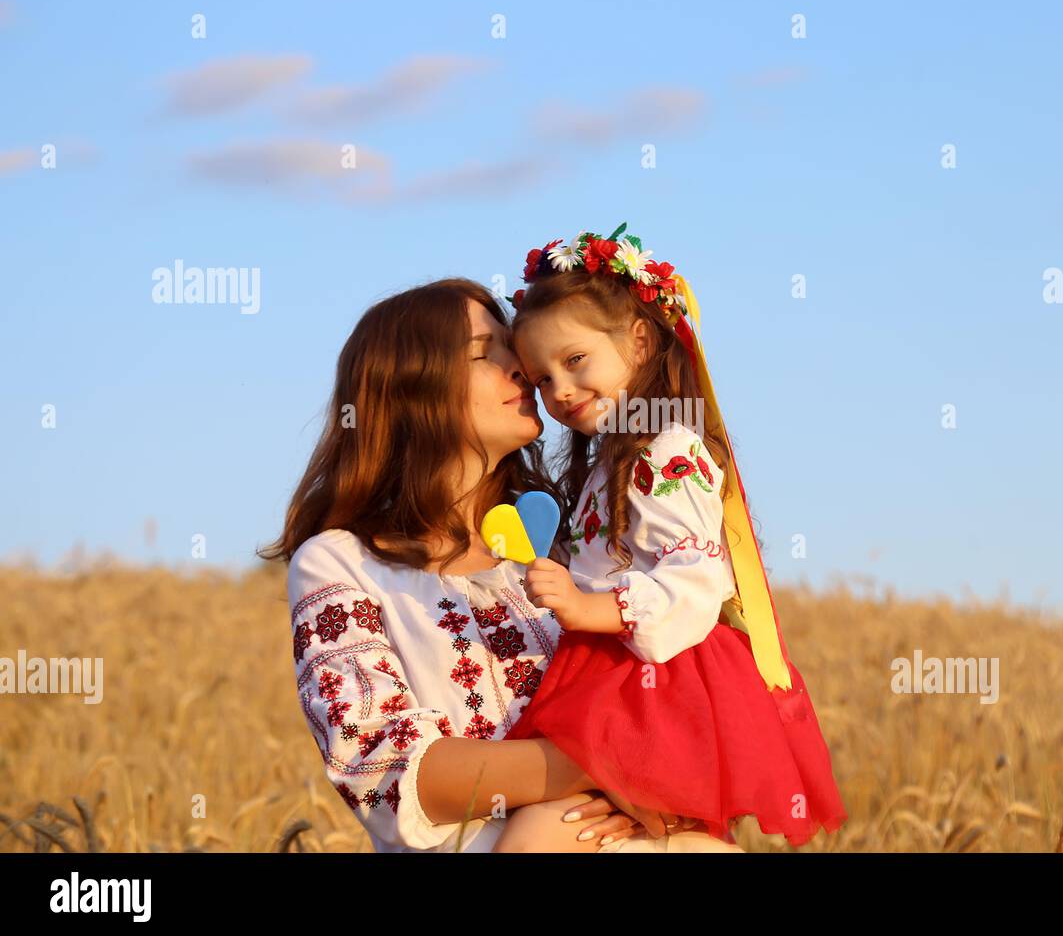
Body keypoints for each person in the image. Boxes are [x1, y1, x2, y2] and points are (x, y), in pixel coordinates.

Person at [259, 278, 734, 852]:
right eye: (488, 354)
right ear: (413, 386)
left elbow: (684, 679)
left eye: (519, 357)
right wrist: (609, 764)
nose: (524, 371)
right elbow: (383, 771)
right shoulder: (342, 562)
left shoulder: (567, 546)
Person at [494, 224, 848, 849]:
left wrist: (585, 607)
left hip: (658, 680)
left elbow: (692, 584)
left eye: (575, 361)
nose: (560, 391)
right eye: (541, 378)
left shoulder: (667, 451)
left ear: (637, 340)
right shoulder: (609, 458)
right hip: (610, 668)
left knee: (563, 831)